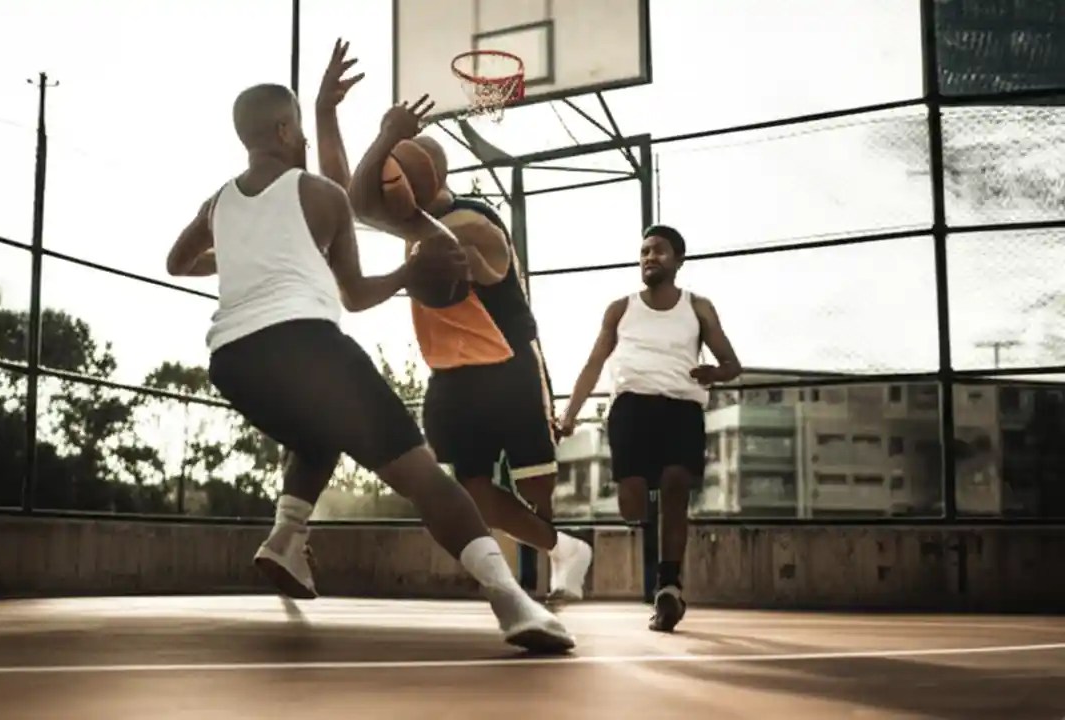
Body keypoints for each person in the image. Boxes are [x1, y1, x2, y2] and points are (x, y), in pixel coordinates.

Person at [162, 68, 574, 653]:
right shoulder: (319, 194)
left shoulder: (217, 202)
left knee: (315, 436)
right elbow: (354, 296)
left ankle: (284, 539)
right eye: (300, 129)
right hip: (307, 348)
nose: (304, 140)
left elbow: (178, 263)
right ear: (283, 129)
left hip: (232, 362)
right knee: (426, 479)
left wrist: (240, 257)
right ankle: (513, 601)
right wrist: (408, 272)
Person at [339, 69, 593, 601]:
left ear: (423, 177)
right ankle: (564, 547)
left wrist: (388, 145)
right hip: (451, 372)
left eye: (399, 177)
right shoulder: (413, 225)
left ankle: (560, 569)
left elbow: (381, 215)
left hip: (508, 363)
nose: (393, 189)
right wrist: (375, 135)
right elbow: (358, 202)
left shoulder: (471, 221)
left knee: (535, 481)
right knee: (471, 490)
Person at [557, 225, 741, 632]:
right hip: (631, 408)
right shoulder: (620, 308)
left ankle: (668, 587)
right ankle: (647, 518)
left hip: (681, 407)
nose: (649, 258)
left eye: (658, 251)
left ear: (678, 260)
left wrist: (714, 371)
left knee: (676, 486)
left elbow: (733, 364)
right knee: (634, 504)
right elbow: (592, 364)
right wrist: (569, 415)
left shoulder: (699, 308)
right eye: (643, 252)